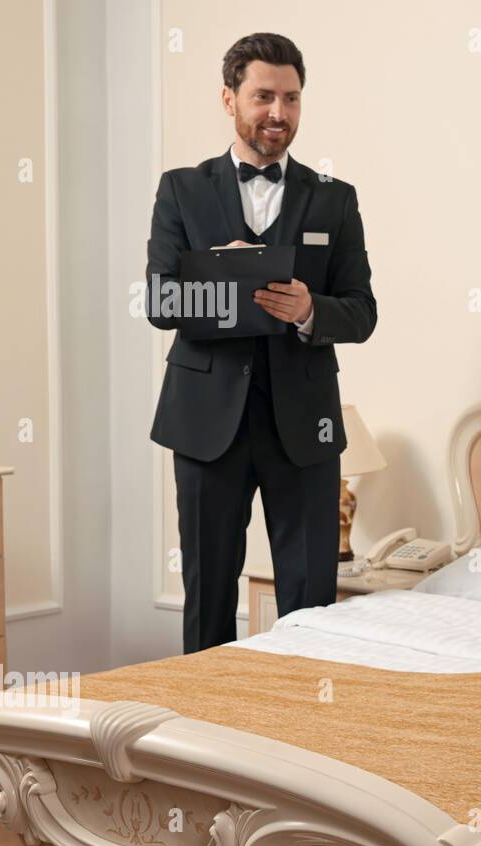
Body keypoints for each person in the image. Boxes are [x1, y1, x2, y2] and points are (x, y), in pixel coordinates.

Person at [145, 33, 377, 653]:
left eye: (292, 98)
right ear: (229, 99)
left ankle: (303, 732)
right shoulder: (181, 191)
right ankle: (198, 738)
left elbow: (362, 312)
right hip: (204, 426)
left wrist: (310, 310)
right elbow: (161, 303)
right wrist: (223, 276)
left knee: (312, 604)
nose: (279, 112)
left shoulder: (335, 198)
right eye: (264, 96)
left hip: (304, 429)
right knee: (209, 595)